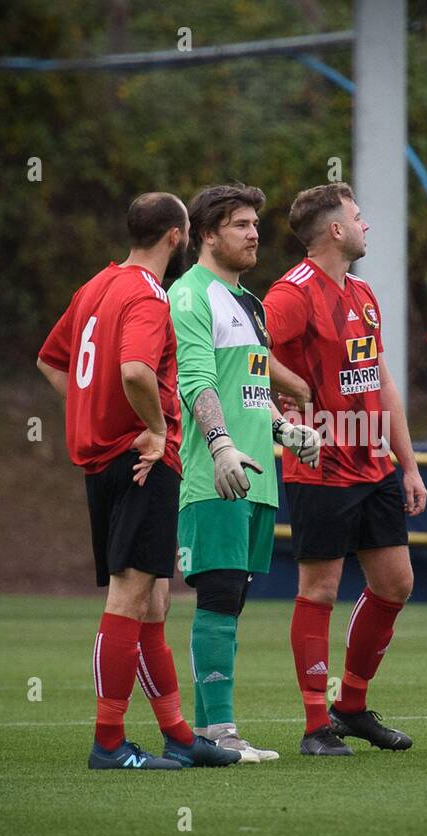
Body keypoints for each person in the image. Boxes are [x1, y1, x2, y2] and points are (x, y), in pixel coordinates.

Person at [37, 192, 239, 771]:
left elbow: (52, 362)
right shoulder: (149, 294)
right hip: (140, 464)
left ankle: (177, 735)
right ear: (177, 236)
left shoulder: (94, 287)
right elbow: (133, 371)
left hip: (106, 460)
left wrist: (92, 416)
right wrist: (152, 429)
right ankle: (108, 743)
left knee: (153, 600)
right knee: (130, 596)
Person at [263, 182, 427, 757]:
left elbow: (381, 383)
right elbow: (253, 363)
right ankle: (315, 726)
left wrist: (408, 464)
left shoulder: (363, 294)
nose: (366, 225)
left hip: (375, 466)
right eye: (358, 217)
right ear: (335, 230)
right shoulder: (289, 295)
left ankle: (351, 706)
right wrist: (286, 412)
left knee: (395, 583)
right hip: (321, 466)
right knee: (320, 589)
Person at [168, 183, 321, 762]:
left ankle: (211, 736)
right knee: (218, 593)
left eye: (256, 223)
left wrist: (287, 433)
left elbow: (249, 390)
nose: (255, 233)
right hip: (217, 473)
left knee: (233, 602)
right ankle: (220, 733)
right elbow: (197, 382)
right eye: (240, 224)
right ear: (207, 234)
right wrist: (222, 446)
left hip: (257, 476)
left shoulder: (251, 304)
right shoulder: (190, 296)